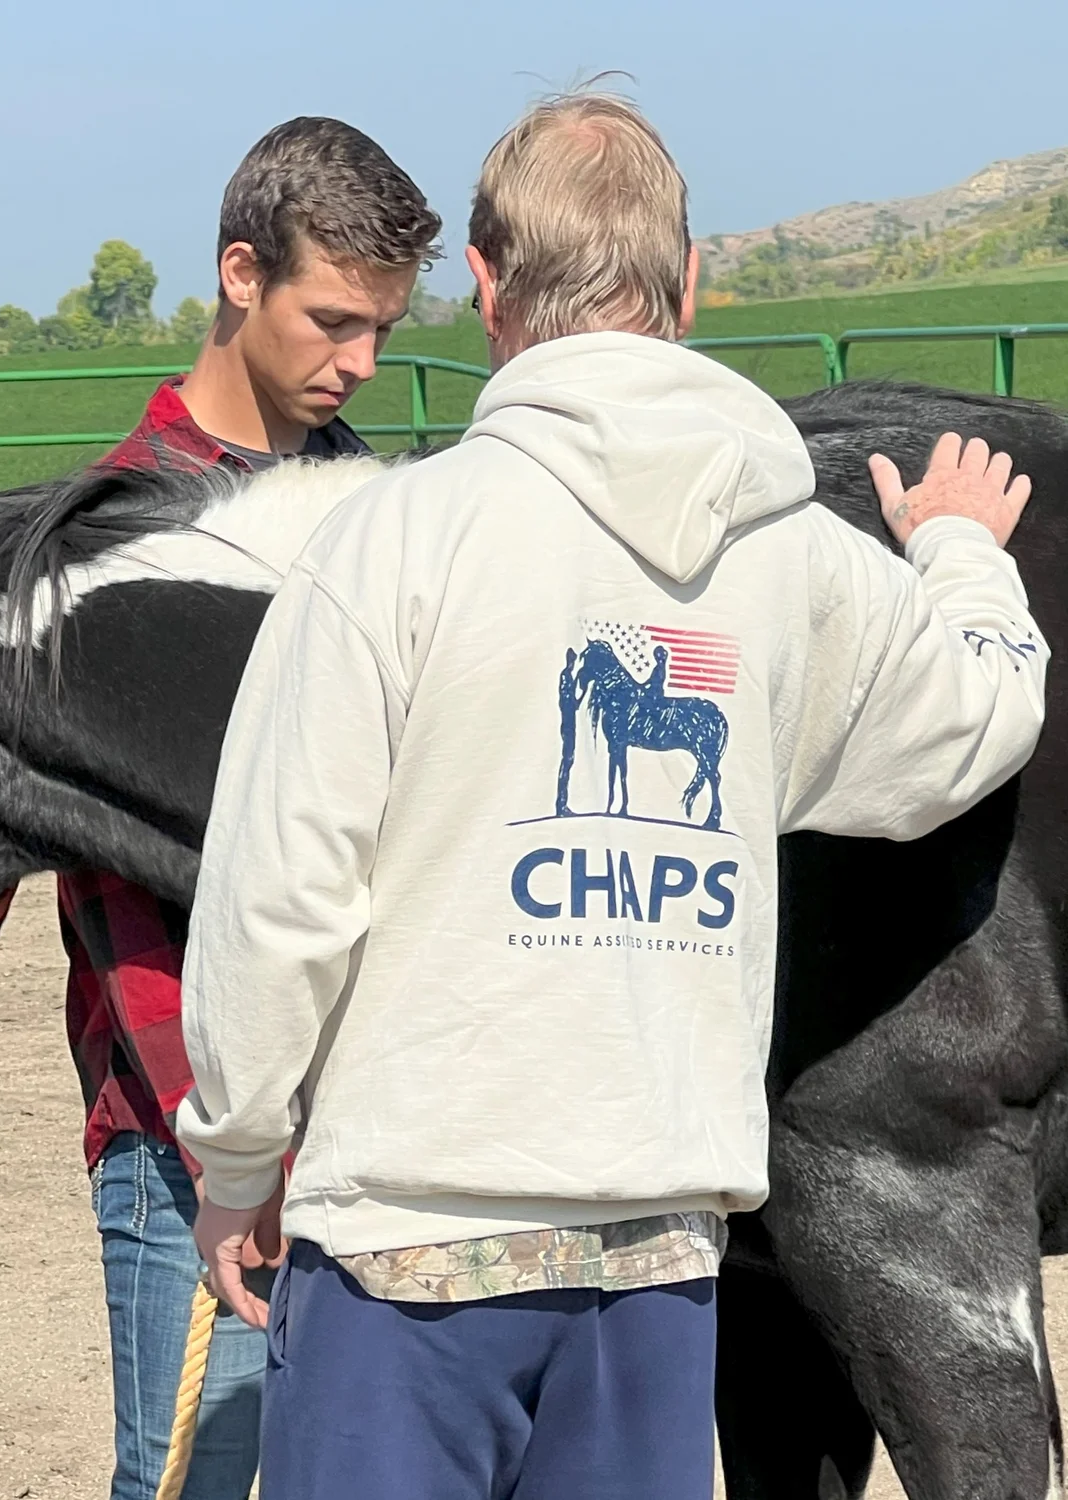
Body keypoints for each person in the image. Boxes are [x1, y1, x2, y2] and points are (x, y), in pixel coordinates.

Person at [178, 91, 1045, 1500]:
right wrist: (959, 554)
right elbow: (974, 719)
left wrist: (236, 1158)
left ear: (482, 285)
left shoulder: (391, 540)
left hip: (407, 1252)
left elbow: (281, 899)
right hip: (655, 1270)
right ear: (689, 286)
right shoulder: (790, 561)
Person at [60, 117, 440, 1500]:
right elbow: (114, 886)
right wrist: (235, 1136)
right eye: (335, 322)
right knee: (194, 1483)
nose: (362, 365)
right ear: (238, 273)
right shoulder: (119, 528)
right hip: (191, 1140)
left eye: (386, 331)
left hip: (376, 1120)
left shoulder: (385, 507)